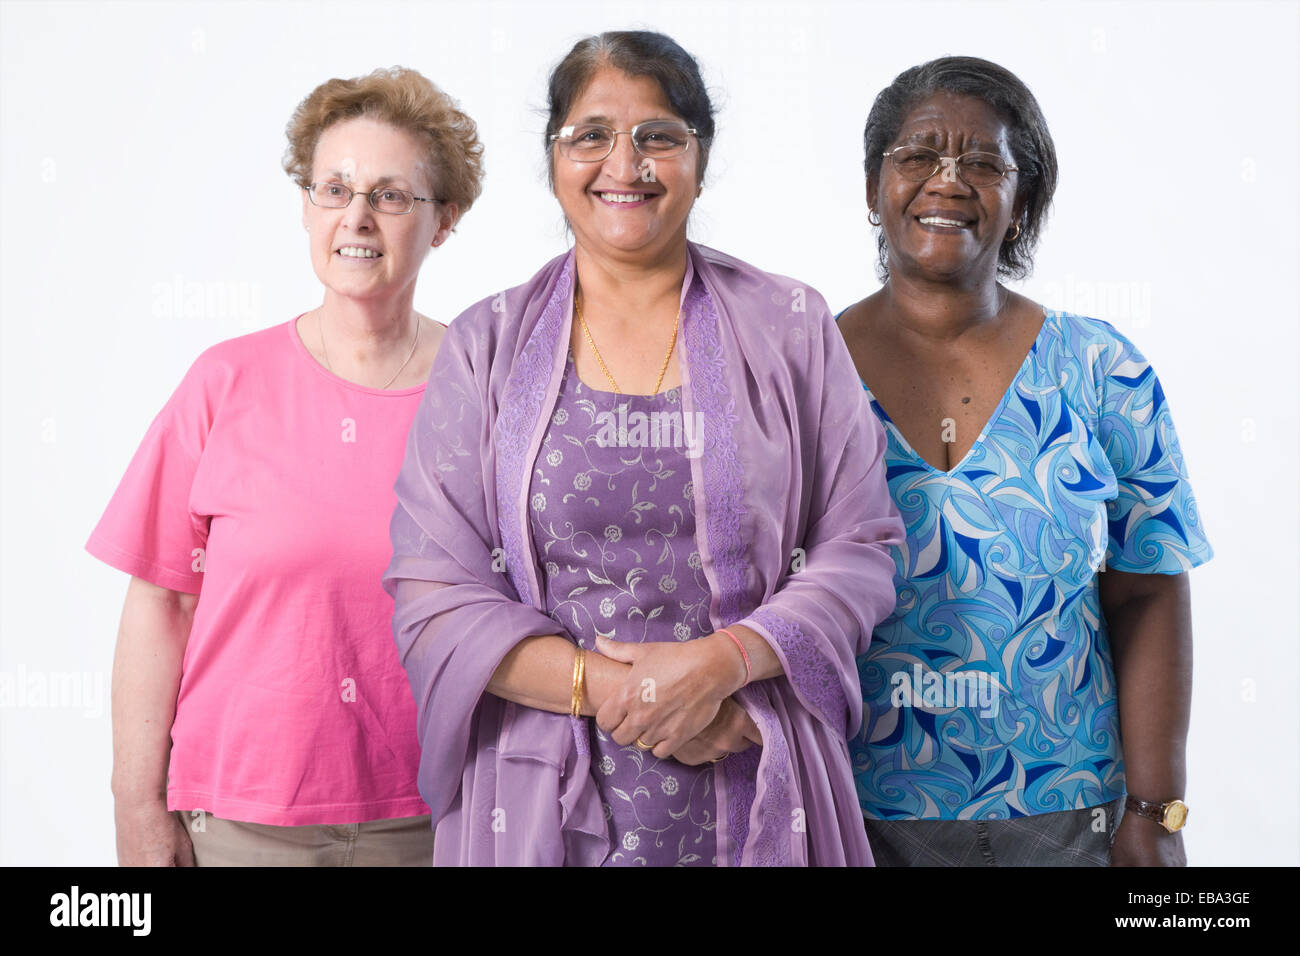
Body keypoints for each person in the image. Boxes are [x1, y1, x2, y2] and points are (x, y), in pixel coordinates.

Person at [382, 30, 904, 866]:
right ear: (554, 157)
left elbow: (860, 549)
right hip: (539, 793)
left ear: (699, 155)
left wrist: (724, 664)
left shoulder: (791, 326)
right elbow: (437, 593)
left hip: (754, 756)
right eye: (591, 135)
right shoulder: (485, 345)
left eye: (658, 136)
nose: (624, 164)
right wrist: (633, 692)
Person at [85, 66, 483, 866]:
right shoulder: (224, 383)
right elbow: (161, 604)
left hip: (440, 816)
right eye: (333, 189)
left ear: (444, 220)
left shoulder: (488, 388)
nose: (357, 217)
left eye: (391, 194)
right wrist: (137, 809)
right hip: (239, 823)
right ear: (305, 207)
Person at [836, 56, 1213, 866]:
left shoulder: (1101, 368)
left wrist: (1154, 811)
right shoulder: (803, 370)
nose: (948, 180)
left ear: (1023, 202)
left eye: (983, 162)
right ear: (874, 189)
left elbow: (1149, 590)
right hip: (847, 811)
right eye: (917, 156)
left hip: (1068, 818)